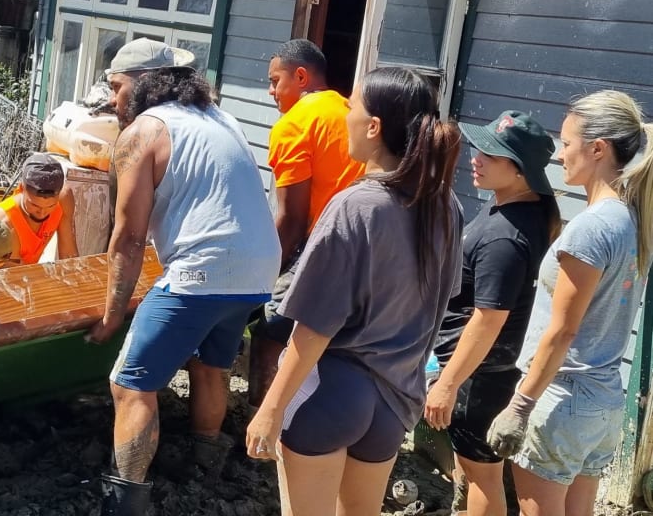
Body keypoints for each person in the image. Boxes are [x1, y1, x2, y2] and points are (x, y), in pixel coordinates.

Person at [246, 67, 463, 516]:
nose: (344, 114)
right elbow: (442, 299)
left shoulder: (355, 205)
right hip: (395, 402)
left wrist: (270, 408)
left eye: (352, 105)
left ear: (374, 126)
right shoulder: (446, 204)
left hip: (332, 390)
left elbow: (315, 326)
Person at [87, 38, 280, 514]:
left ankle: (124, 498)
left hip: (203, 270)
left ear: (142, 83)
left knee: (130, 383)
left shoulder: (145, 130)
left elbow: (128, 238)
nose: (113, 100)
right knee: (211, 366)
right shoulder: (220, 117)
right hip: (258, 271)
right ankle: (206, 462)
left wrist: (113, 317)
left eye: (116, 87)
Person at [486, 90, 653, 516]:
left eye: (566, 143)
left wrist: (519, 407)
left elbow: (563, 330)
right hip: (603, 401)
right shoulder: (632, 220)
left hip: (563, 400)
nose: (560, 156)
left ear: (598, 148)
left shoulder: (590, 229)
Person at [424, 111, 559, 516]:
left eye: (490, 153)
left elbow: (489, 318)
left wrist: (448, 383)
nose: (474, 158)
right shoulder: (519, 210)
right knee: (477, 468)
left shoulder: (505, 236)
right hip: (484, 371)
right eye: (478, 148)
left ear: (519, 171)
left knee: (481, 473)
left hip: (480, 377)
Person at [250, 39, 365, 406]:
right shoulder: (347, 109)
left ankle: (260, 429)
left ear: (300, 76)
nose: (270, 91)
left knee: (270, 330)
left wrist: (264, 275)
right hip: (366, 247)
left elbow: (293, 219)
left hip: (324, 244)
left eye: (275, 80)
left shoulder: (294, 124)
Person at [0, 152, 78, 264]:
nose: (42, 213)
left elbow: (69, 257)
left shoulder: (64, 200)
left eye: (50, 206)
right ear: (22, 188)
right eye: (34, 205)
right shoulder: (5, 224)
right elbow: (13, 276)